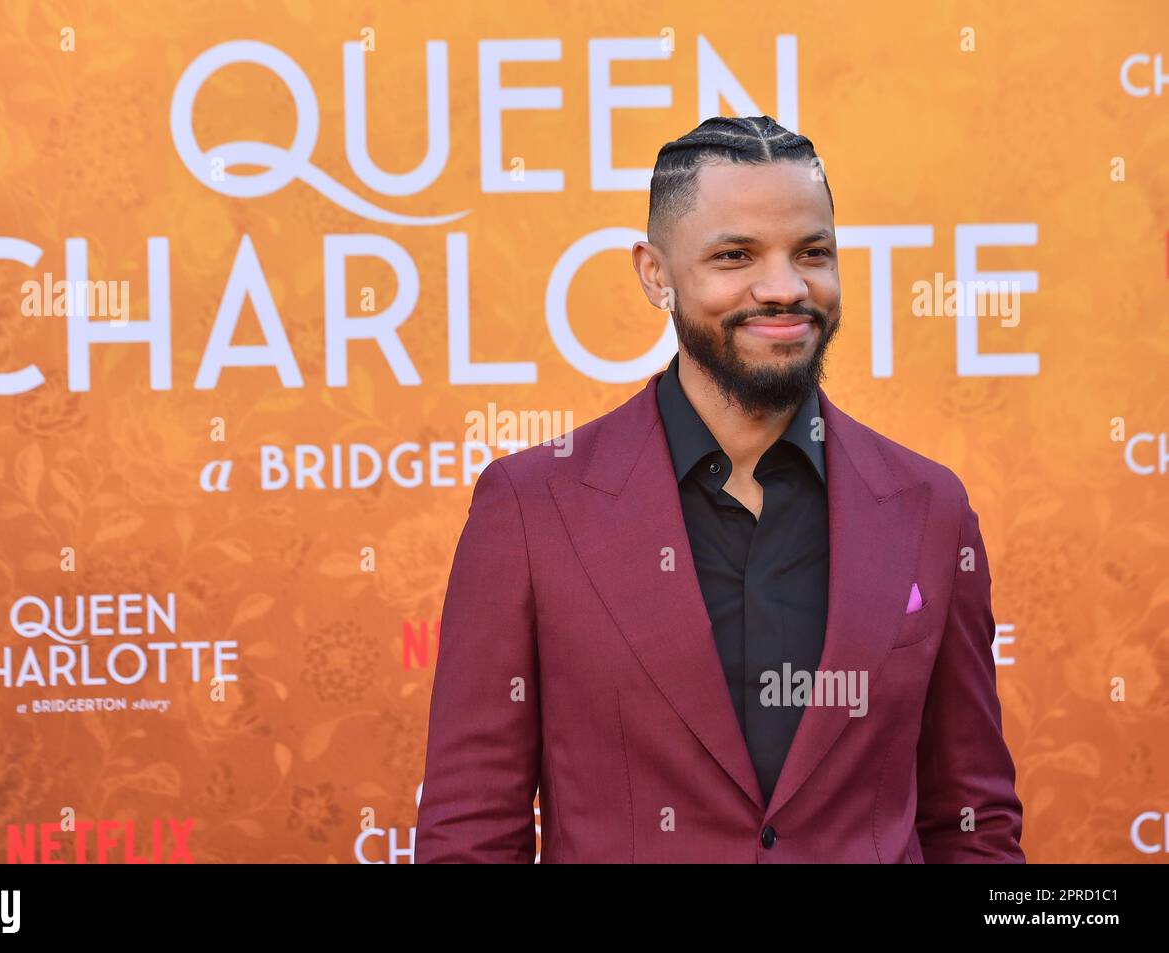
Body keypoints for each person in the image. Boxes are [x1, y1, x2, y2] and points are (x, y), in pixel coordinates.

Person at [414, 115, 1024, 863]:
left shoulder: (930, 508)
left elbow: (972, 821)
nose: (785, 288)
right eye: (736, 255)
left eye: (813, 253)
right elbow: (471, 830)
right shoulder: (532, 509)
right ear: (655, 273)